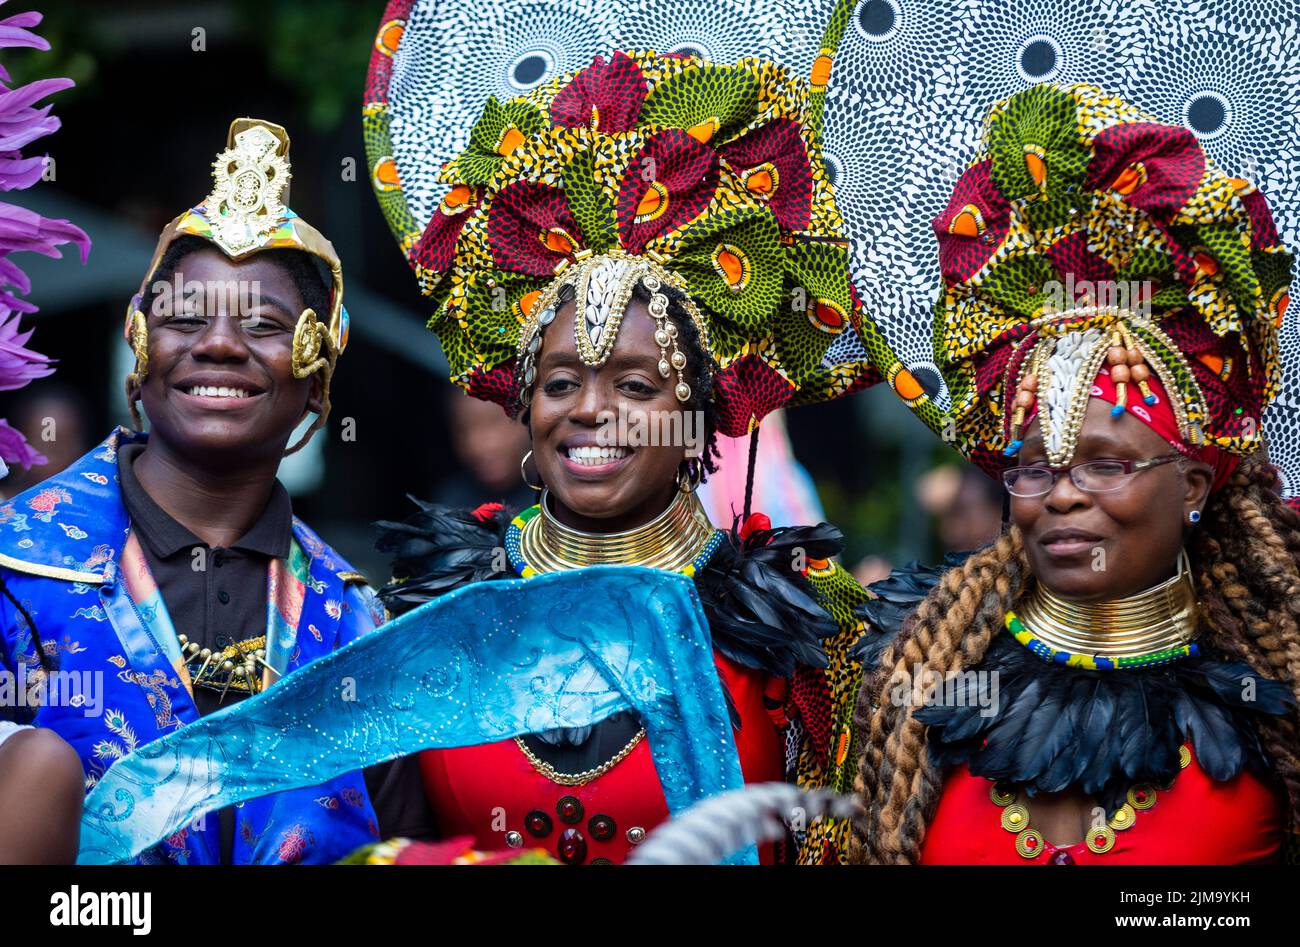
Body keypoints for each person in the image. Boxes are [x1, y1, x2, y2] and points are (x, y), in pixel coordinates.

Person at [356, 7, 926, 863]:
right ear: (524, 401)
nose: (588, 410)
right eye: (558, 382)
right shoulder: (430, 614)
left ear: (696, 410)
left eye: (634, 383)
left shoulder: (808, 634)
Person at [851, 83, 1299, 864]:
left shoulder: (1277, 694)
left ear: (1193, 486)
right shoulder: (921, 679)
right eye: (1032, 467)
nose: (1060, 492)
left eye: (1105, 462)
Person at [0, 118, 387, 864]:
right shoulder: (15, 569)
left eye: (264, 323)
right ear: (141, 352)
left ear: (316, 378)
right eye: (183, 317)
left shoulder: (357, 626)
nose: (217, 342)